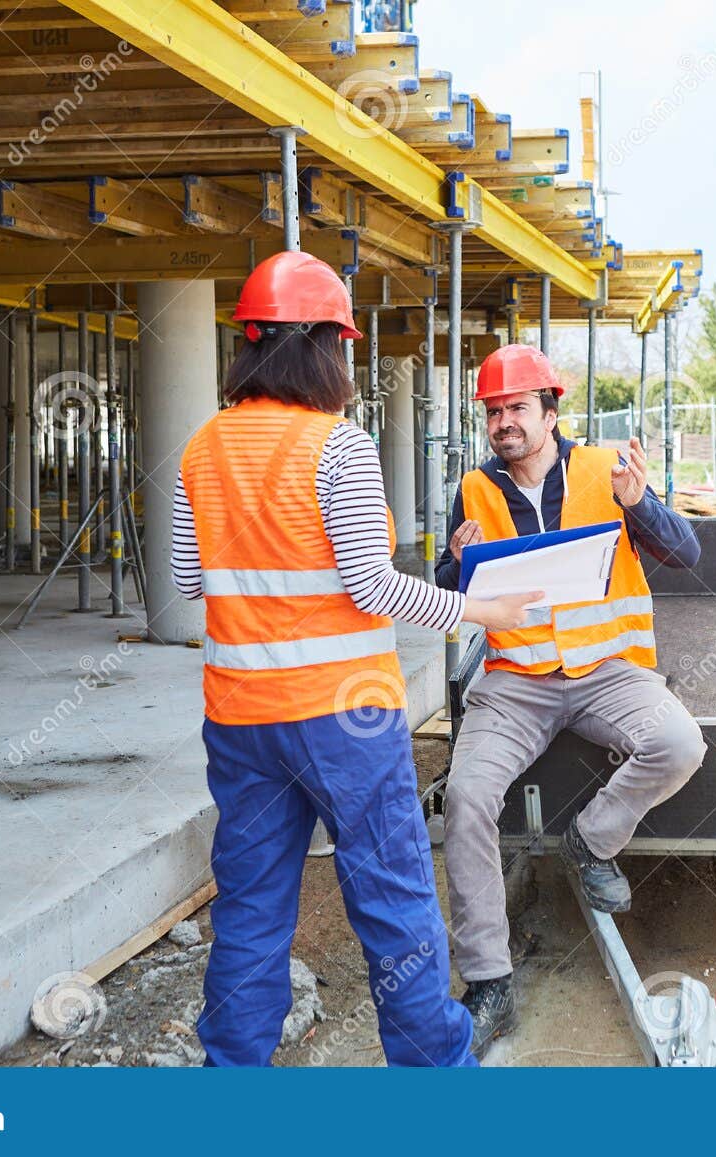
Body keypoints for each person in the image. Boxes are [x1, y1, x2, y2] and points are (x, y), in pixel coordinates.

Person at [171, 251, 538, 1067]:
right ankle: (433, 1085)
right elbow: (373, 587)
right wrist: (481, 608)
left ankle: (228, 1084)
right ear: (324, 349)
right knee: (392, 902)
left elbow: (186, 578)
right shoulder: (338, 446)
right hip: (346, 720)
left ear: (251, 344)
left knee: (251, 912)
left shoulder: (201, 447)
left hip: (240, 720)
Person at [433, 343, 707, 1057]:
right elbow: (450, 591)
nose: (503, 422)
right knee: (464, 798)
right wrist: (458, 567)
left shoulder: (605, 471)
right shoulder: (475, 489)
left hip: (606, 669)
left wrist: (639, 504)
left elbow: (686, 554)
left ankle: (592, 842)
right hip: (516, 681)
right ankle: (489, 979)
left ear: (551, 412)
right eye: (493, 411)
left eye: (517, 408)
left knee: (679, 742)